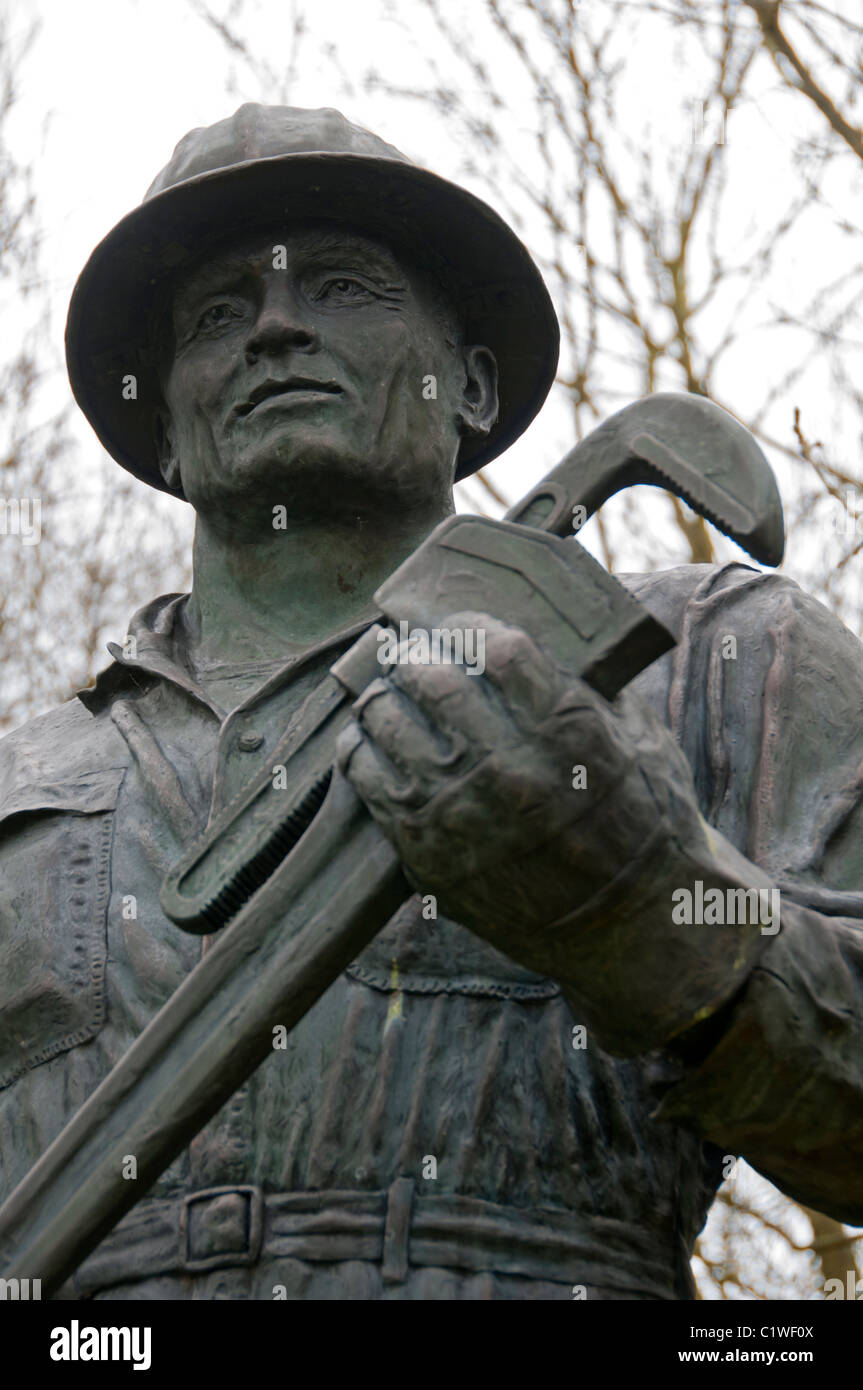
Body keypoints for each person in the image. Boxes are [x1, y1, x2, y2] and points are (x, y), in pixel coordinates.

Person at [0, 104, 860, 1301]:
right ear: (167, 430)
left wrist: (649, 907)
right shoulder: (19, 788)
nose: (276, 327)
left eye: (343, 287)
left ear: (468, 382)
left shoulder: (710, 663)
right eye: (215, 313)